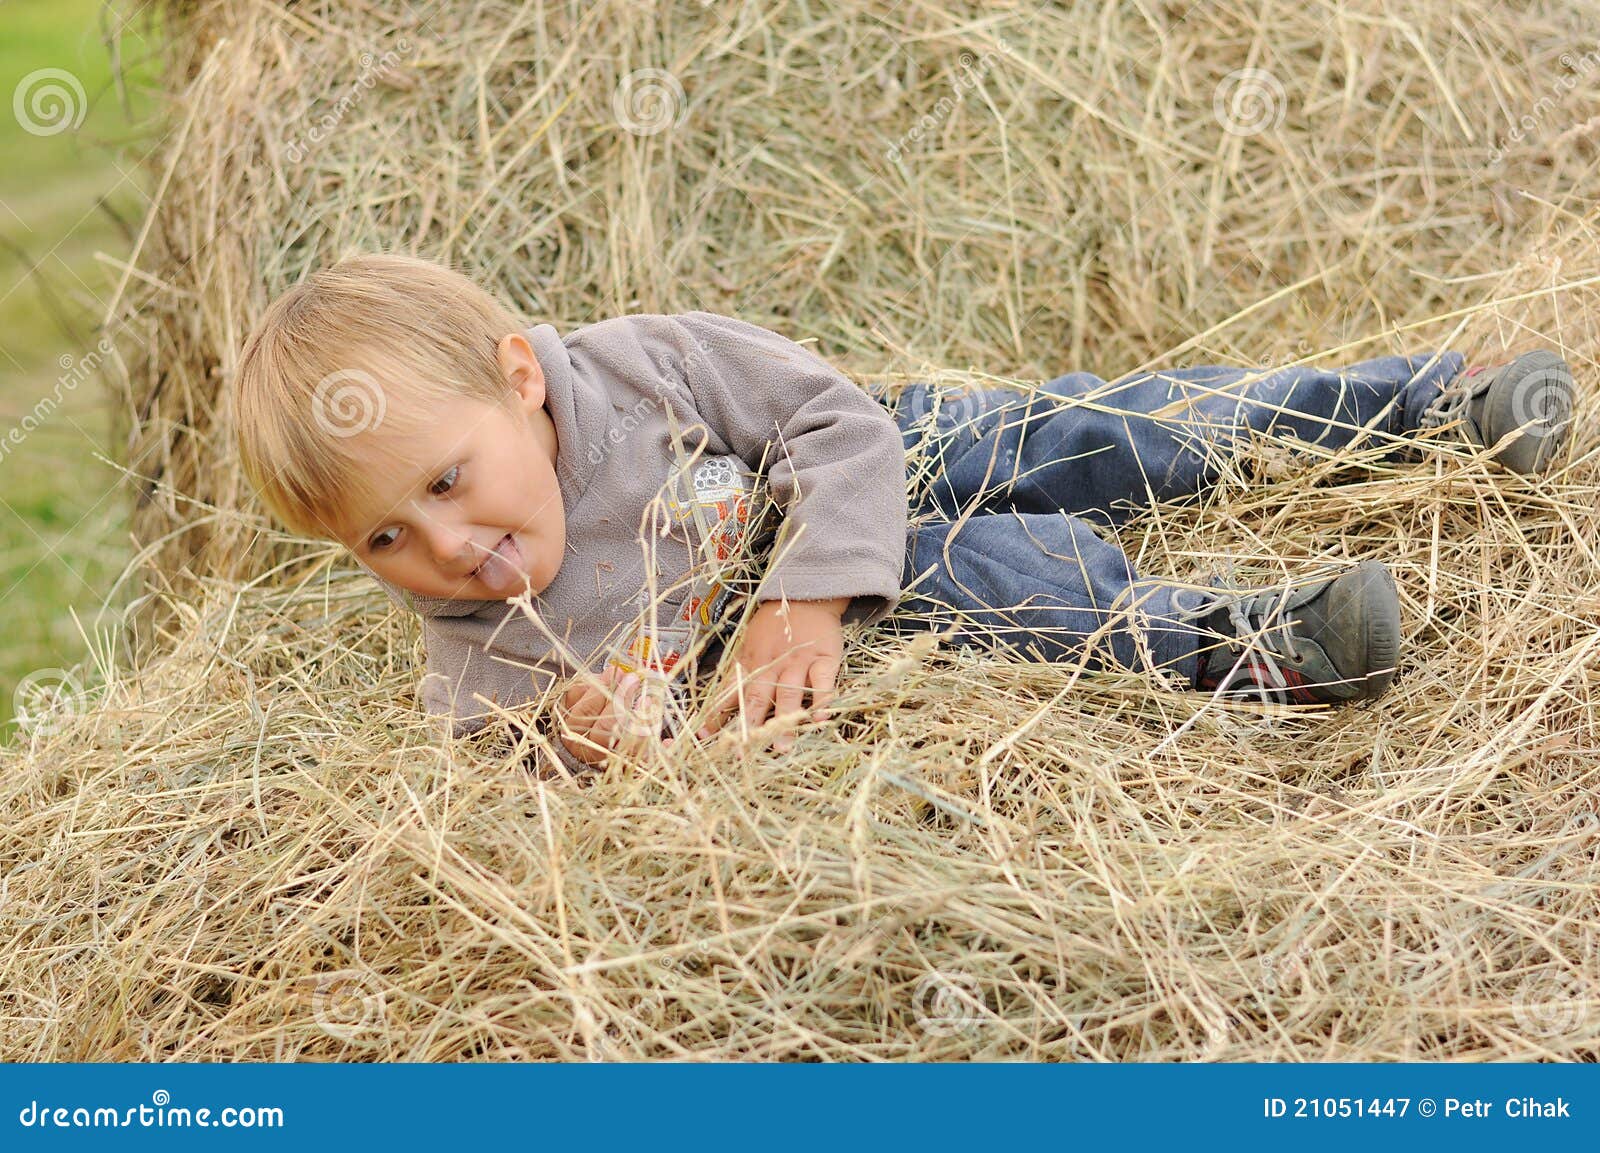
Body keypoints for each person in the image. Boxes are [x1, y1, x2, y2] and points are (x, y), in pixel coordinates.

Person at [231, 253, 1575, 773]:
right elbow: (493, 760)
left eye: (448, 481)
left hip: (874, 468)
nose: (446, 549)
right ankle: (1250, 641)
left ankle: (1409, 409)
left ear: (518, 376)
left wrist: (803, 595)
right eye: (383, 539)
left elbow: (833, 422)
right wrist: (578, 749)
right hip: (850, 593)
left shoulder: (643, 366)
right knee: (993, 591)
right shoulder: (481, 647)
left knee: (1101, 430)